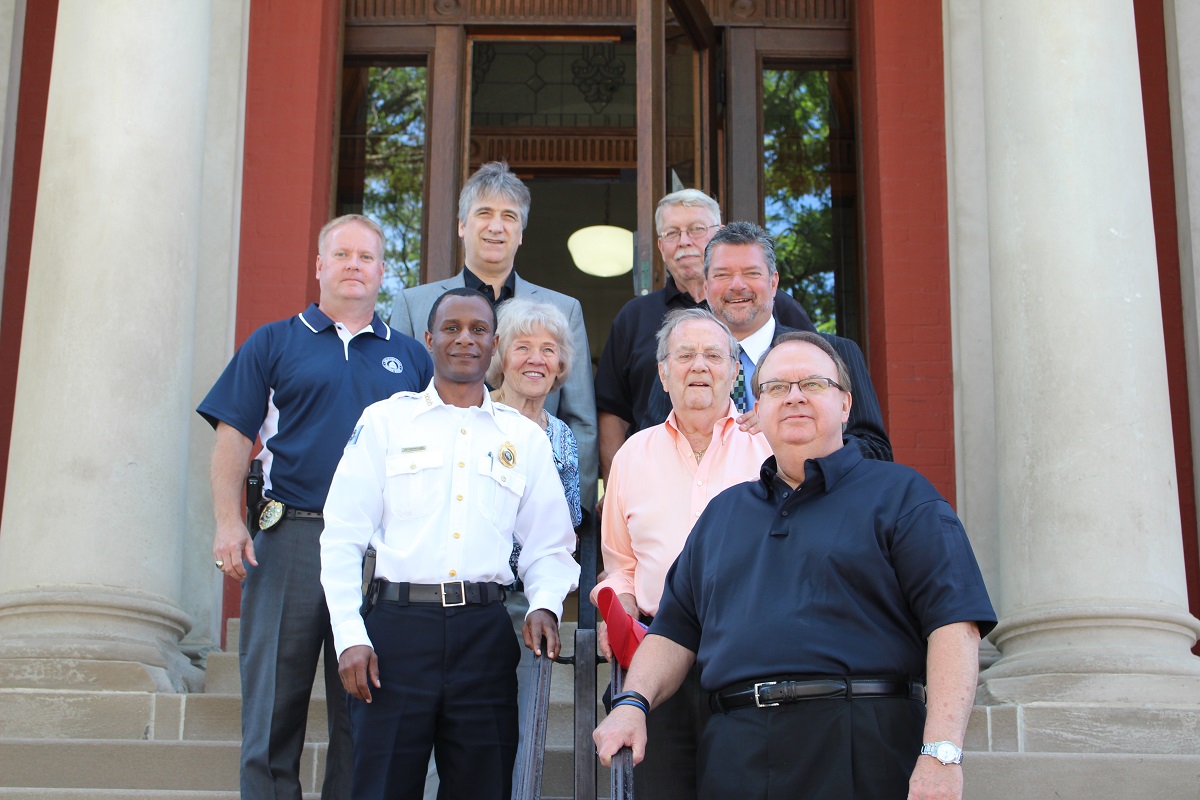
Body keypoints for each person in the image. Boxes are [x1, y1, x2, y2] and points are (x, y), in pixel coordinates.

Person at [594, 331, 996, 800]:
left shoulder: (904, 496)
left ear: (846, 404)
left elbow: (954, 624)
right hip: (735, 754)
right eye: (777, 388)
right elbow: (672, 633)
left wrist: (942, 752)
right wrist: (632, 702)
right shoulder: (723, 515)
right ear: (757, 410)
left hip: (863, 744)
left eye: (814, 384)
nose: (795, 397)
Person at [197, 214, 433, 800]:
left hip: (381, 552)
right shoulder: (274, 342)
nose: (355, 265)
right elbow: (233, 436)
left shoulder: (411, 358)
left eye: (367, 257)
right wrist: (229, 522)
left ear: (383, 272)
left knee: (366, 710)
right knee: (273, 709)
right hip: (293, 539)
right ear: (321, 266)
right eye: (342, 255)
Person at [321, 287, 580, 800]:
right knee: (380, 787)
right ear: (428, 340)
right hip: (395, 634)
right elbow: (342, 536)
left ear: (495, 345)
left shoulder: (523, 439)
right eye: (452, 328)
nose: (465, 339)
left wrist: (545, 604)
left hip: (484, 635)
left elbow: (550, 546)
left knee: (481, 788)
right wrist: (350, 634)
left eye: (479, 330)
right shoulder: (385, 422)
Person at [590, 307, 772, 799]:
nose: (699, 365)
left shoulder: (771, 451)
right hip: (655, 657)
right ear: (663, 373)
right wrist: (619, 606)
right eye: (685, 354)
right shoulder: (631, 455)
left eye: (714, 354)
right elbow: (619, 565)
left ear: (736, 372)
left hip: (749, 657)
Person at [389, 161, 598, 513]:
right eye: (484, 213)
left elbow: (582, 423)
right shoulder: (413, 305)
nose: (496, 227)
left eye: (509, 217)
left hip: (534, 501)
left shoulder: (564, 309)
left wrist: (576, 515)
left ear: (521, 233)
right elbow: (398, 410)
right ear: (461, 225)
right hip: (434, 499)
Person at [594, 189, 814, 482]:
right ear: (660, 246)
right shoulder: (634, 317)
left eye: (696, 229)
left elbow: (815, 383)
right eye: (672, 233)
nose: (684, 241)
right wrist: (618, 486)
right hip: (668, 482)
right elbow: (613, 410)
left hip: (776, 479)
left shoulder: (771, 305)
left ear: (719, 235)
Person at [486, 297, 583, 779]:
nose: (537, 359)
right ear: (500, 353)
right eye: (523, 346)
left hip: (532, 606)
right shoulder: (474, 420)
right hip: (473, 602)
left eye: (549, 349)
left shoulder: (562, 437)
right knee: (467, 732)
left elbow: (566, 526)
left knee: (527, 730)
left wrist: (550, 599)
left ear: (561, 362)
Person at [704, 221, 892, 461]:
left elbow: (877, 452)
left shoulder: (836, 353)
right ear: (706, 286)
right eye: (723, 275)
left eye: (752, 273)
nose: (737, 285)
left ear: (773, 283)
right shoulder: (680, 363)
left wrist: (804, 434)